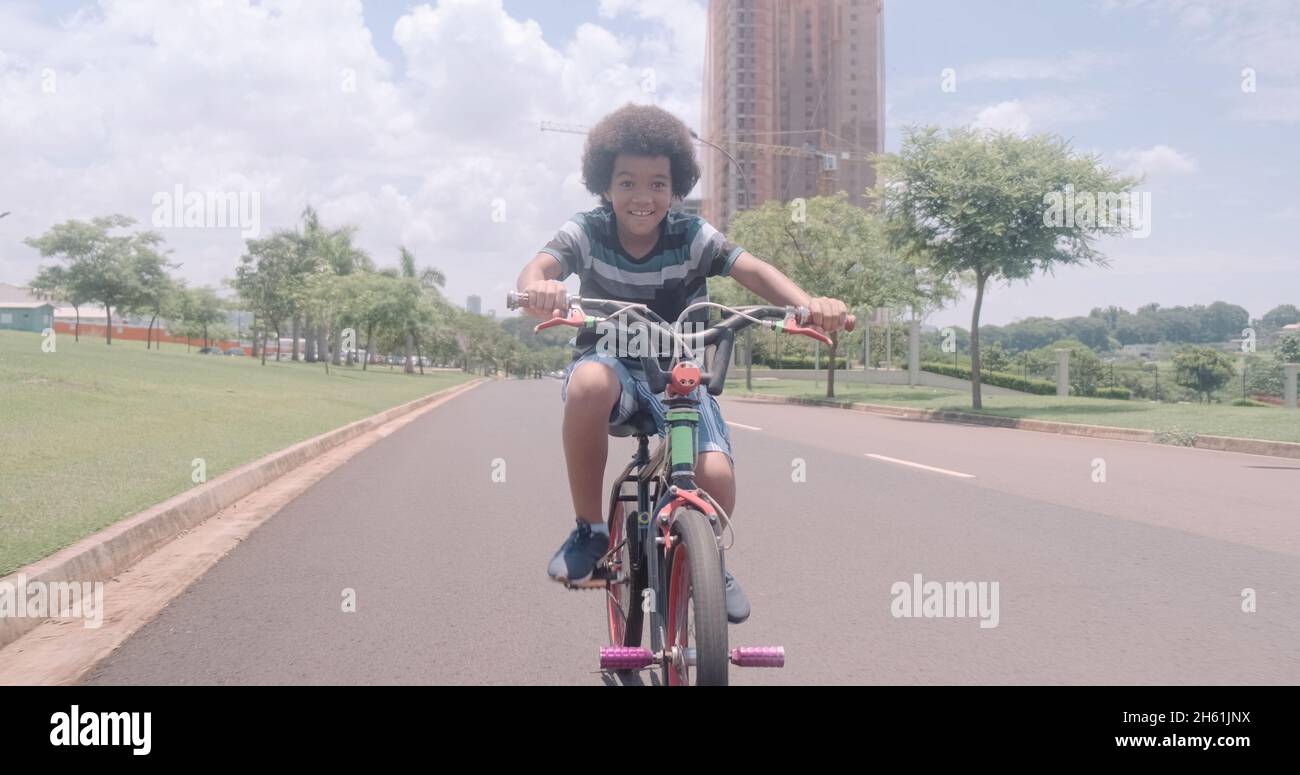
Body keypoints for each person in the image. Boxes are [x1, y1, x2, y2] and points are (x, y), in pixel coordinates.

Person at [516, 103, 849, 624]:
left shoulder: (692, 235)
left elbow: (753, 269)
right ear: (605, 185)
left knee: (714, 475)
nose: (642, 197)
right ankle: (590, 532)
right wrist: (539, 287)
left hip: (678, 376)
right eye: (627, 182)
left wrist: (808, 304)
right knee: (587, 384)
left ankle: (709, 556)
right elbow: (540, 265)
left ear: (676, 190)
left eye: (657, 184)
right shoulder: (588, 230)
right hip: (615, 372)